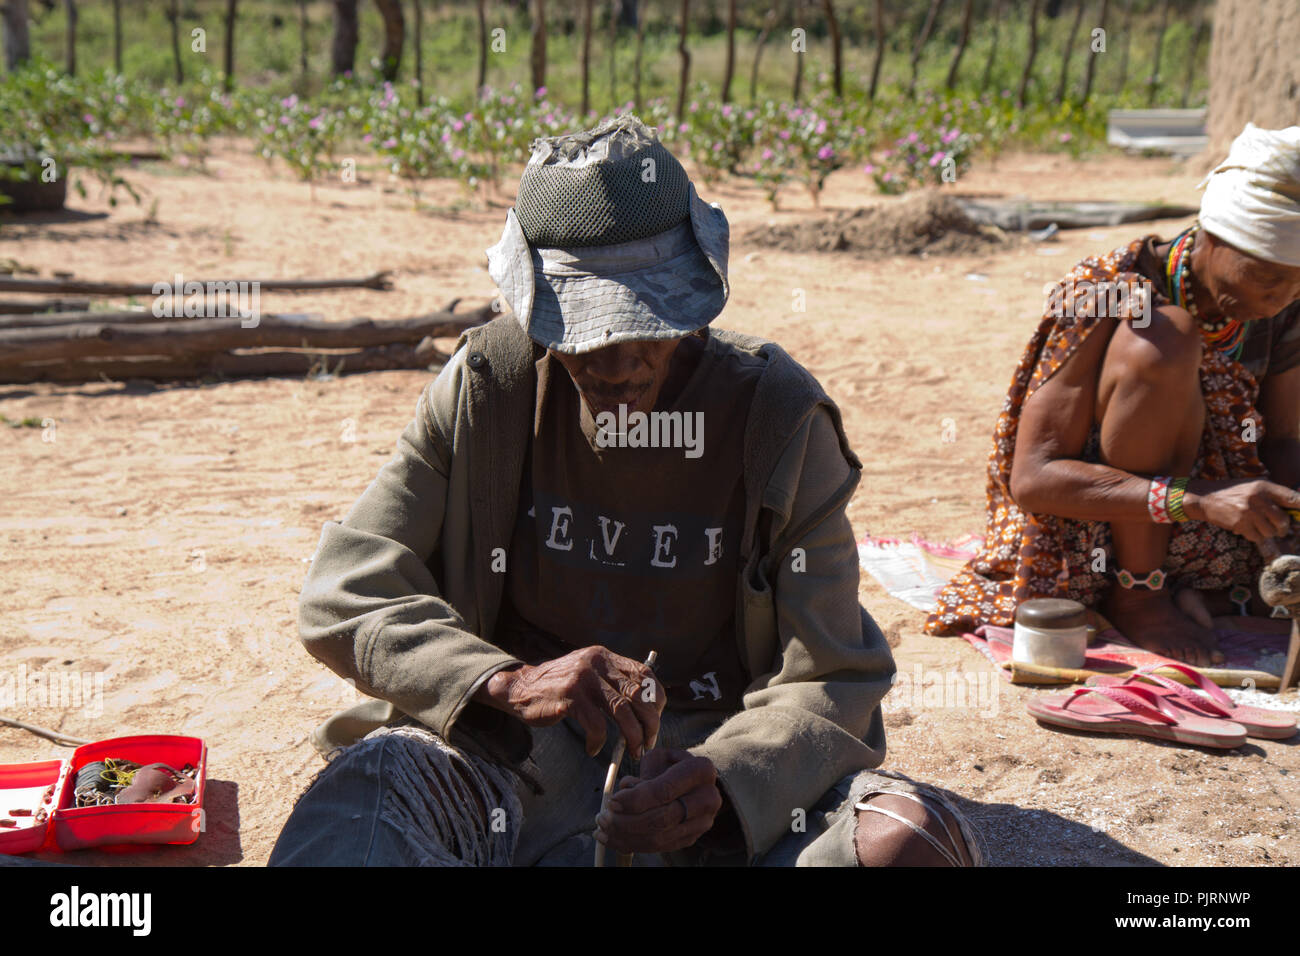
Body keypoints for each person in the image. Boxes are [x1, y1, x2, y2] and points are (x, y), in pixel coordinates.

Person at [268, 115, 981, 867]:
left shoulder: (777, 420)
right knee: (368, 798)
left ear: (695, 299)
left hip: (712, 783)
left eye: (646, 324)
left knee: (904, 842)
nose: (615, 363)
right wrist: (507, 680)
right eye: (579, 331)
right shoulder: (491, 389)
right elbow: (344, 591)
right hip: (513, 767)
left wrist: (727, 782)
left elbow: (833, 674)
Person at [926, 123, 1300, 667]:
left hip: (1216, 530)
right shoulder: (1109, 292)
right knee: (1166, 341)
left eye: (1297, 283)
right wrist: (1198, 499)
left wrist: (1285, 533)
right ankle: (1140, 594)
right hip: (1092, 533)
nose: (1279, 299)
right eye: (1266, 278)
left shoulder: (1284, 306)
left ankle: (1214, 593)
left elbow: (1285, 439)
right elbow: (1035, 478)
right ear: (1215, 236)